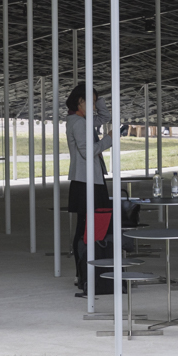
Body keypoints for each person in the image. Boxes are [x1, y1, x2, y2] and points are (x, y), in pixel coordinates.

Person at [66, 81, 114, 295]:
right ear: (79, 101)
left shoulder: (84, 119)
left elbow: (104, 118)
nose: (94, 107)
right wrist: (108, 140)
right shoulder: (78, 122)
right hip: (85, 181)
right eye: (90, 102)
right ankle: (82, 272)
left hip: (92, 179)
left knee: (91, 226)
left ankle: (86, 272)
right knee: (85, 228)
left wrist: (98, 97)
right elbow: (88, 152)